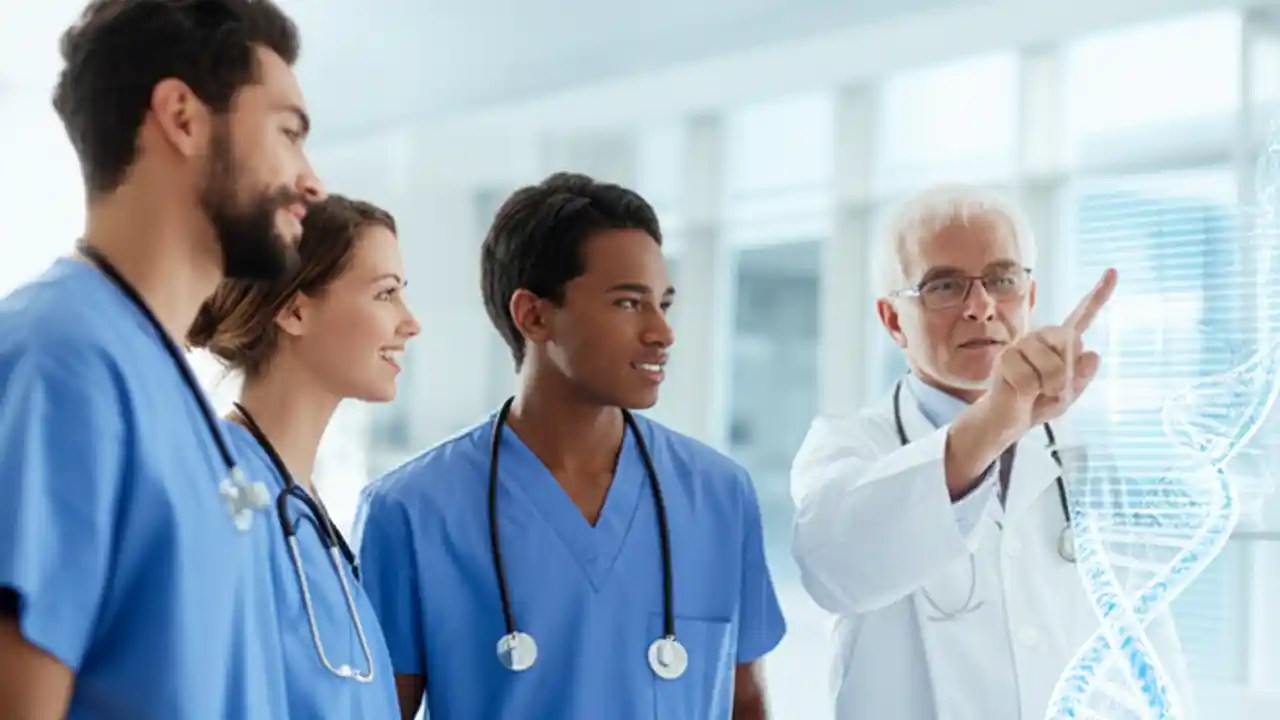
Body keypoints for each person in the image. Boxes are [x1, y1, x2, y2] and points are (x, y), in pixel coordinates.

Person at [354, 172, 787, 720]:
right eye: (629, 304)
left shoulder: (718, 496)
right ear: (533, 315)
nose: (661, 332)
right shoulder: (411, 512)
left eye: (664, 304)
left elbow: (745, 701)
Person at [0, 1, 323, 717]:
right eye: (288, 134)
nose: (312, 181)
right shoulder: (59, 360)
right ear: (181, 116)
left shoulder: (168, 392)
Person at [789, 185, 1193, 720]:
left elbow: (1147, 650)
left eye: (1002, 280)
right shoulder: (849, 446)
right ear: (891, 321)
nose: (980, 308)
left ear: (1028, 299)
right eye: (945, 285)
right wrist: (995, 421)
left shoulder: (1083, 461)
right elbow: (833, 569)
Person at [187, 193, 419, 718]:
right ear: (294, 310)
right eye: (386, 294)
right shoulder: (222, 493)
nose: (411, 323)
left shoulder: (304, 508)